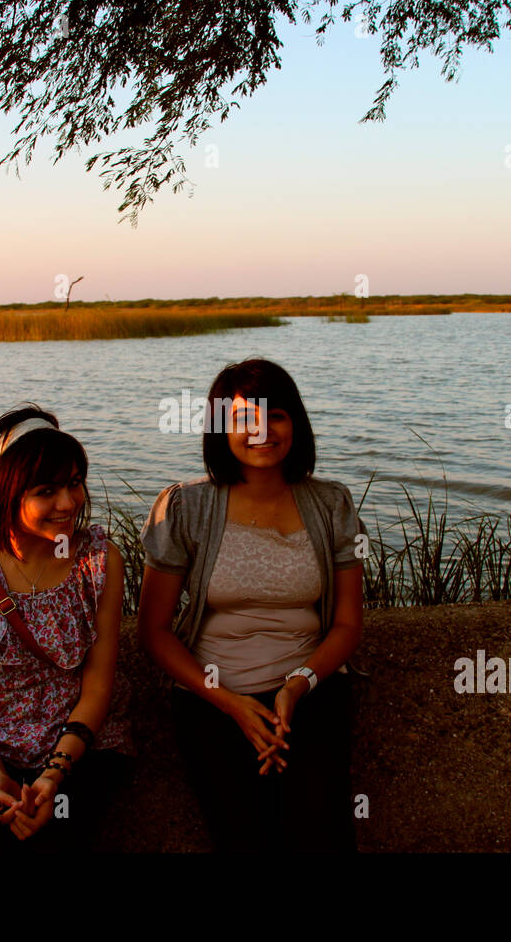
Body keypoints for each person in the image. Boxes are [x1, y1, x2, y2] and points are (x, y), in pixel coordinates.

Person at [138, 358, 365, 852]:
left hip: (310, 689)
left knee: (321, 834)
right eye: (244, 419)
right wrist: (233, 704)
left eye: (276, 416)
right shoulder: (185, 507)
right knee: (242, 835)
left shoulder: (333, 505)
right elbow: (154, 631)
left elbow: (348, 624)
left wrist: (296, 688)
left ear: (295, 424)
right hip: (212, 697)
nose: (262, 431)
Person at [0, 405, 133, 852]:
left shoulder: (99, 561)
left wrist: (55, 772)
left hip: (80, 742)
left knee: (59, 833)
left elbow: (98, 688)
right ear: (3, 493)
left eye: (74, 483)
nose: (69, 503)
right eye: (47, 490)